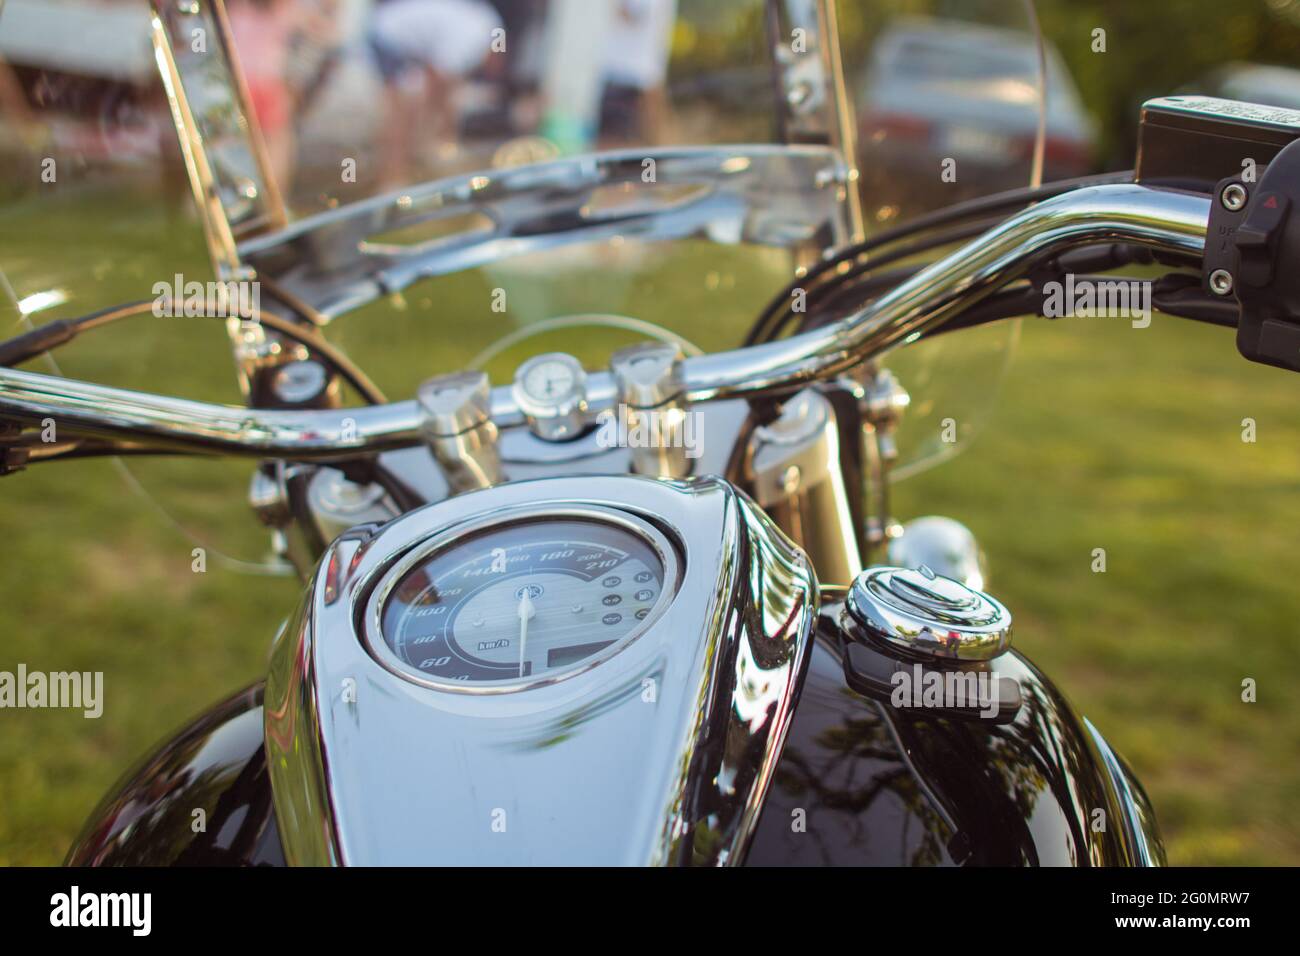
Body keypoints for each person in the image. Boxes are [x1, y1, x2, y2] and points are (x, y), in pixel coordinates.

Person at [367, 0, 504, 186]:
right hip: (389, 34)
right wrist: (431, 124)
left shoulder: (487, 25)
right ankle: (391, 178)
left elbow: (445, 83)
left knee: (408, 109)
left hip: (393, 27)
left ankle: (399, 168)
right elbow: (438, 79)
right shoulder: (474, 42)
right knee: (402, 112)